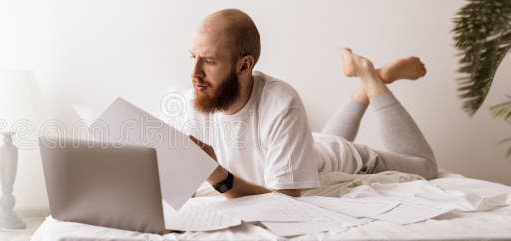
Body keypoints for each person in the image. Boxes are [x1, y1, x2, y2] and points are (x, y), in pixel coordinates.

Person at [184, 9, 437, 198]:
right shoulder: (196, 100)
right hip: (311, 149)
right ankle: (370, 80)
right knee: (324, 143)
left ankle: (371, 78)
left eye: (209, 60)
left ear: (244, 65)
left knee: (425, 166)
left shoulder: (282, 102)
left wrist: (219, 177)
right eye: (193, 57)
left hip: (340, 157)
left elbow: (285, 201)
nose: (195, 72)